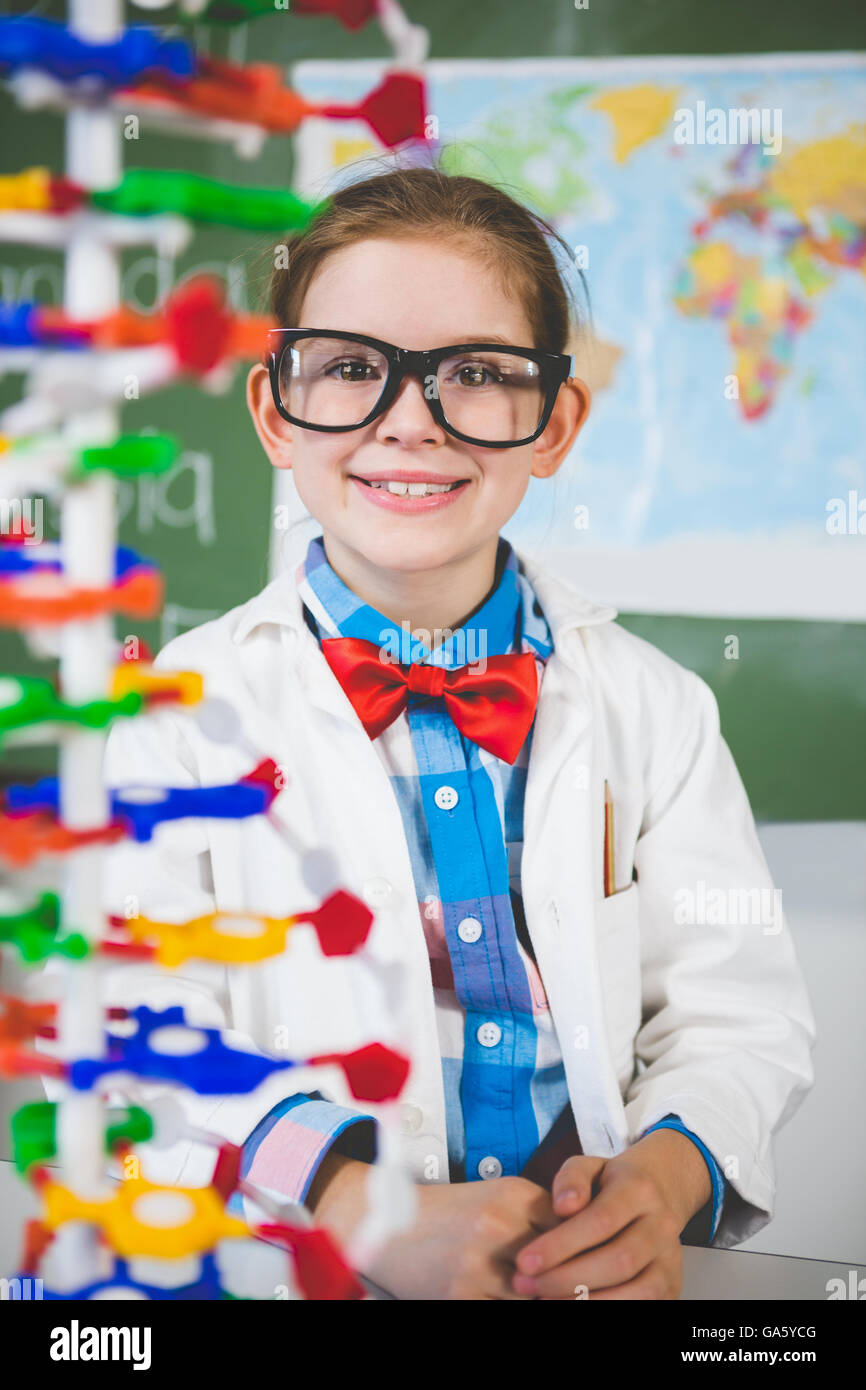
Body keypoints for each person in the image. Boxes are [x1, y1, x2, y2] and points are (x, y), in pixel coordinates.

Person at [101, 165, 815, 1300]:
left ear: (555, 425)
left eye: (476, 375)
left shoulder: (655, 705)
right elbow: (141, 1037)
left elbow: (737, 1013)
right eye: (346, 368)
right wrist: (350, 1201)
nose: (406, 420)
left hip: (571, 1274)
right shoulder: (174, 719)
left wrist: (665, 1180)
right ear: (273, 412)